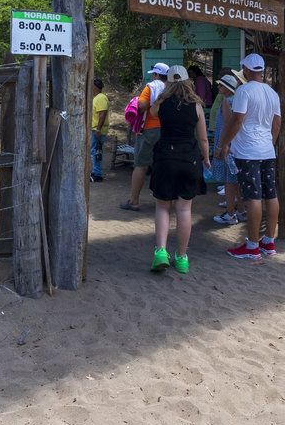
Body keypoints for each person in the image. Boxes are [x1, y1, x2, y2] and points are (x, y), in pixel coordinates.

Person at [216, 53, 282, 260]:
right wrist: (268, 144)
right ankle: (268, 242)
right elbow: (277, 124)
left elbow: (236, 121)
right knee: (271, 195)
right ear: (261, 70)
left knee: (253, 196)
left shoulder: (243, 91)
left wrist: (223, 144)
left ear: (245, 70)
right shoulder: (272, 93)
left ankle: (252, 245)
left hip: (247, 152)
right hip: (267, 151)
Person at [148, 65, 211, 273]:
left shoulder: (162, 103)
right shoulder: (196, 106)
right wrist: (206, 158)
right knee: (184, 209)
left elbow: (152, 111)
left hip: (165, 156)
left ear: (170, 82)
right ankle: (182, 258)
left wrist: (164, 93)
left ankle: (160, 251)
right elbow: (202, 138)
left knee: (162, 206)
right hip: (189, 158)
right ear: (188, 81)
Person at [119, 62, 168, 210]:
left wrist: (135, 101)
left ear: (157, 75)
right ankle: (166, 202)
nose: (152, 76)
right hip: (166, 130)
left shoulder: (151, 87)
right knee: (164, 166)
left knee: (140, 166)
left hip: (149, 130)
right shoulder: (172, 88)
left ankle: (134, 201)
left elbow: (141, 106)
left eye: (153, 74)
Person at [211, 72, 247, 225]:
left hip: (227, 145)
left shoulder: (227, 102)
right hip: (235, 144)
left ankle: (230, 213)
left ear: (227, 88)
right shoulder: (237, 101)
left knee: (229, 181)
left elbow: (227, 125)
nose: (219, 87)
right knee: (236, 180)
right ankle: (241, 210)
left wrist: (220, 146)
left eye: (221, 85)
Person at [90, 78, 109, 182]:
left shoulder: (101, 98)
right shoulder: (96, 97)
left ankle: (97, 174)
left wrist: (98, 130)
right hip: (94, 129)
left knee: (96, 151)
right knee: (94, 151)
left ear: (94, 87)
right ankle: (95, 171)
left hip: (97, 130)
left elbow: (102, 114)